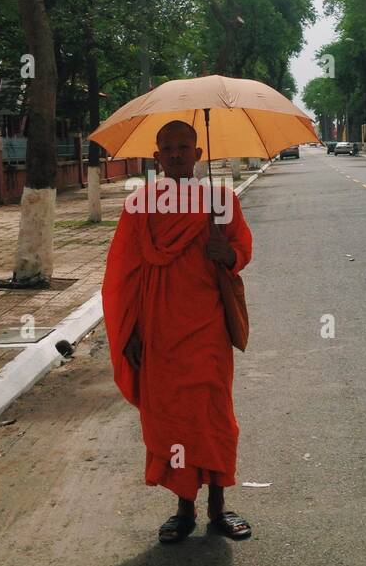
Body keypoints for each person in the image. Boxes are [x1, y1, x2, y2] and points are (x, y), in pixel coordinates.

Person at [102, 120, 253, 544]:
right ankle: (184, 508)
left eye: (184, 147)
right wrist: (131, 331)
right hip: (159, 330)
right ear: (156, 158)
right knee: (171, 420)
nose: (175, 154)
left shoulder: (220, 200)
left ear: (198, 154)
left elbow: (243, 247)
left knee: (213, 415)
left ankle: (219, 506)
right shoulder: (140, 205)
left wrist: (229, 254)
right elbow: (125, 273)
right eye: (167, 148)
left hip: (208, 330)